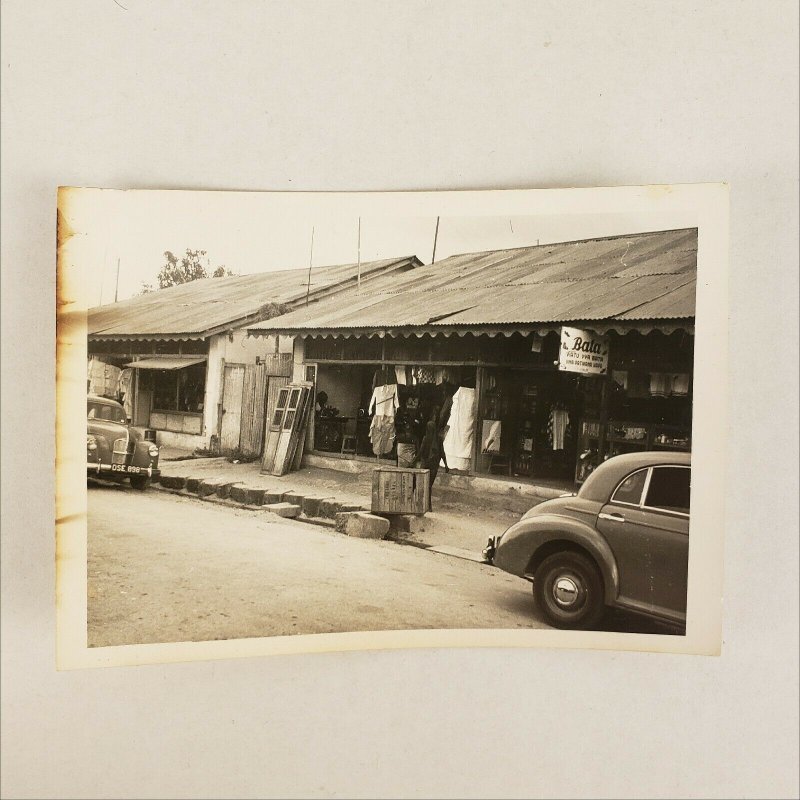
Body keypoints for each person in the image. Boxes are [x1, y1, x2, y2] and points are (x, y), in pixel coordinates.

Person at [416, 406, 443, 512]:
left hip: (425, 464)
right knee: (429, 486)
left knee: (422, 485)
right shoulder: (439, 439)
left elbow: (420, 453)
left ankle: (421, 505)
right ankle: (429, 506)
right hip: (434, 466)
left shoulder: (425, 438)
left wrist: (412, 462)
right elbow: (443, 453)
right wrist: (446, 466)